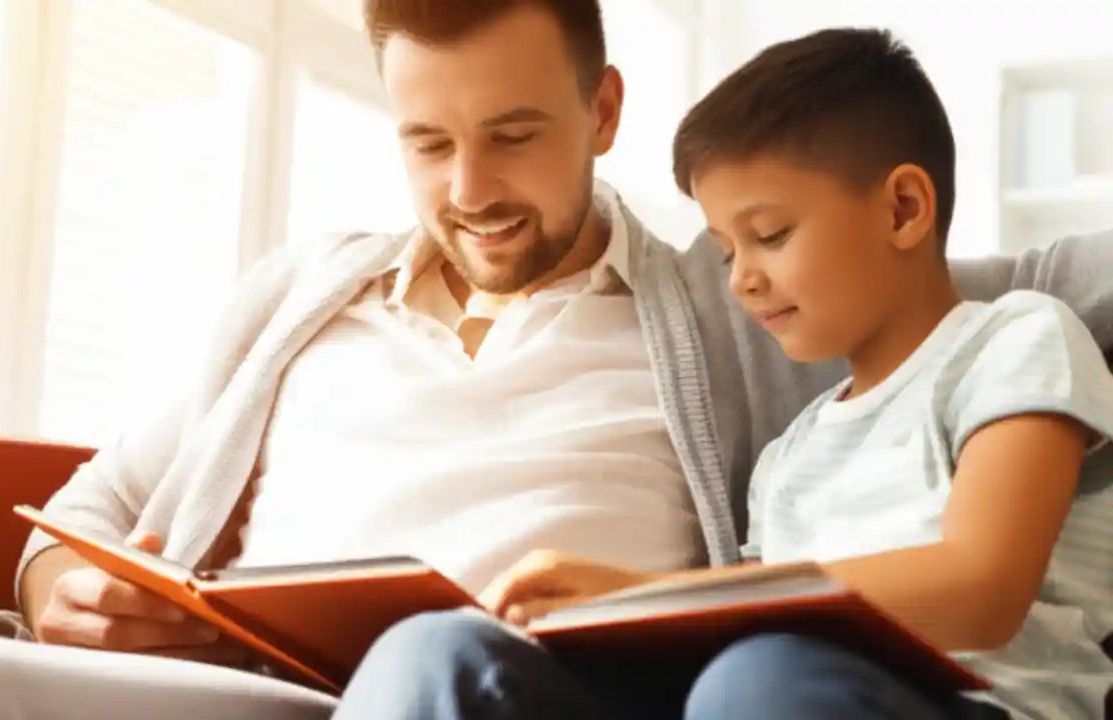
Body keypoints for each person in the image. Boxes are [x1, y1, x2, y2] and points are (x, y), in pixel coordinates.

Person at [0, 3, 1111, 718]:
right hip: (249, 693)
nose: (469, 191)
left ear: (601, 112)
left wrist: (632, 600)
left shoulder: (735, 304)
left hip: (498, 693)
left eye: (512, 136)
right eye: (427, 144)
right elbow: (91, 510)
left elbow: (946, 293)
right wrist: (66, 583)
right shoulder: (301, 294)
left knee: (427, 660)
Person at [331, 27, 1113, 720]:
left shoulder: (1015, 339)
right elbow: (732, 632)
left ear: (904, 208)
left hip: (968, 705)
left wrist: (647, 593)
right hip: (763, 693)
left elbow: (981, 590)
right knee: (435, 652)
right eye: (726, 250)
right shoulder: (788, 456)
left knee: (757, 678)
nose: (740, 280)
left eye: (769, 235)